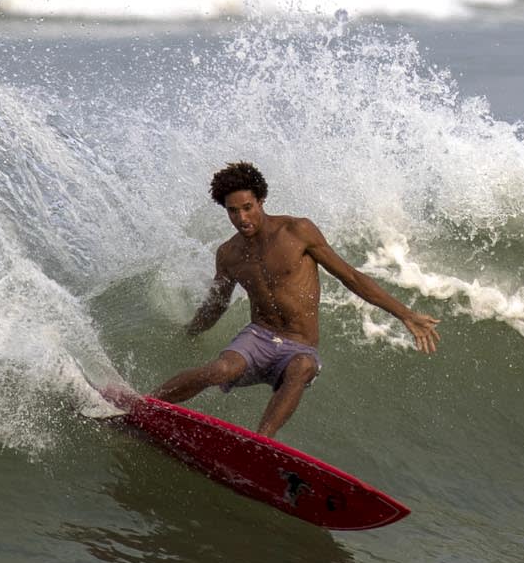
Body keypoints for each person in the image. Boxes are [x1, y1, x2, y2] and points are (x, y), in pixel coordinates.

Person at [153, 160, 440, 440]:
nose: (242, 218)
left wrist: (405, 314)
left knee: (302, 368)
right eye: (232, 211)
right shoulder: (229, 254)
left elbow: (350, 277)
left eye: (247, 208)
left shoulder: (297, 232)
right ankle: (147, 405)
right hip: (258, 336)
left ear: (261, 200)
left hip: (299, 344)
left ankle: (261, 443)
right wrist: (191, 330)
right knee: (220, 370)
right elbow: (217, 304)